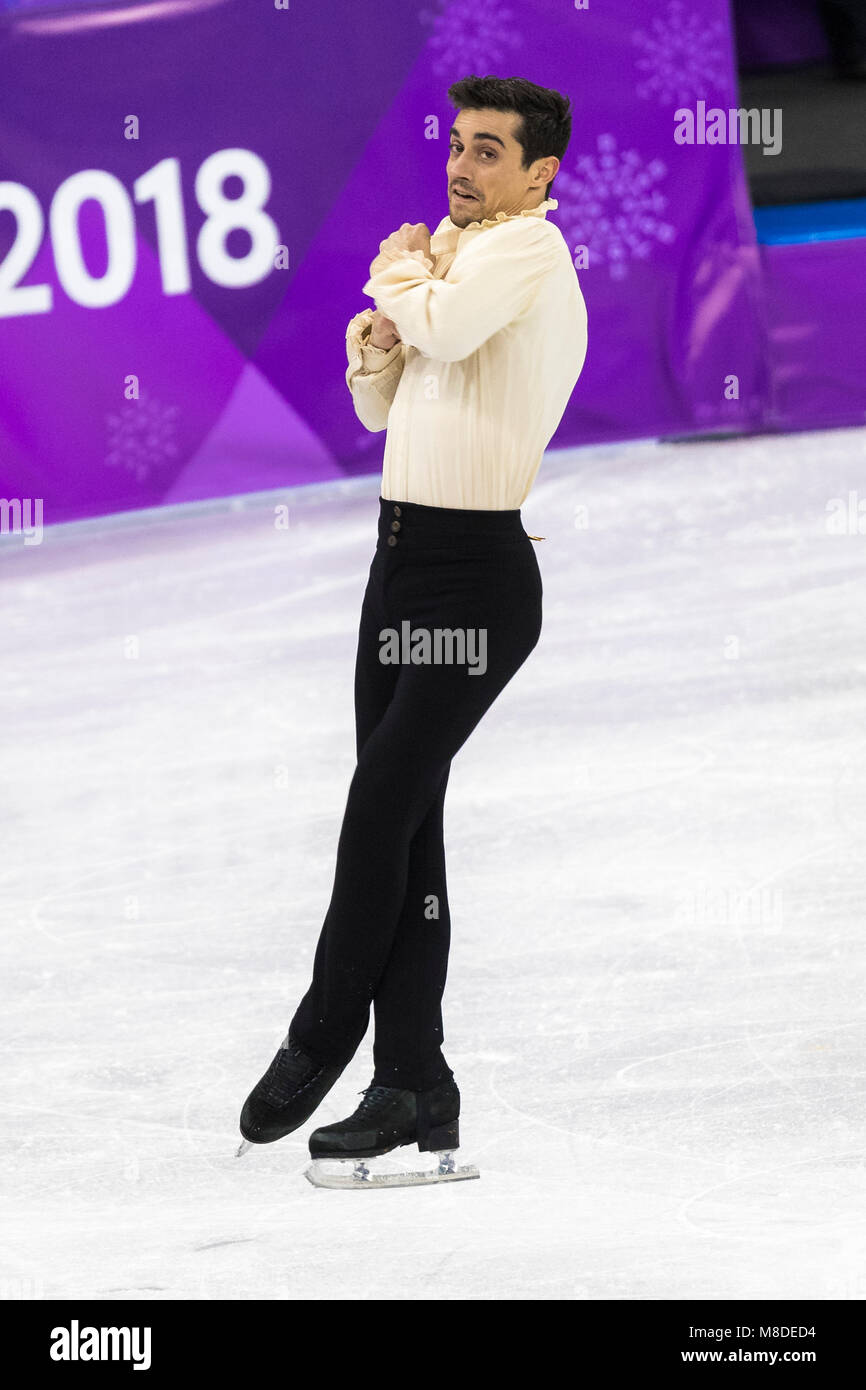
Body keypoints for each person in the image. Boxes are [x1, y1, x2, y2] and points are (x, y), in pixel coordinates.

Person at [238, 74, 588, 1164]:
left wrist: (401, 276)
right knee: (408, 821)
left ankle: (322, 1029)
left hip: (472, 582)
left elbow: (447, 320)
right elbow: (390, 405)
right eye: (458, 143)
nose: (462, 164)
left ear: (538, 173)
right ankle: (413, 1081)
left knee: (381, 801)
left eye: (489, 150)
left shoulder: (528, 250)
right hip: (397, 569)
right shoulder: (454, 253)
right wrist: (380, 352)